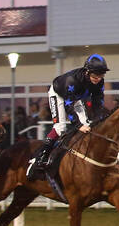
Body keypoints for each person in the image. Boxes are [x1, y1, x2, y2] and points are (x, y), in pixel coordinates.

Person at [27, 54, 109, 190]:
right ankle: (41, 157)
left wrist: (97, 119)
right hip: (59, 95)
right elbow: (68, 106)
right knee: (60, 128)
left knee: (89, 125)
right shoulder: (73, 81)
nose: (98, 79)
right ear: (87, 71)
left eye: (101, 76)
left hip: (75, 97)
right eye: (95, 76)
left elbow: (98, 103)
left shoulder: (99, 82)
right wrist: (78, 125)